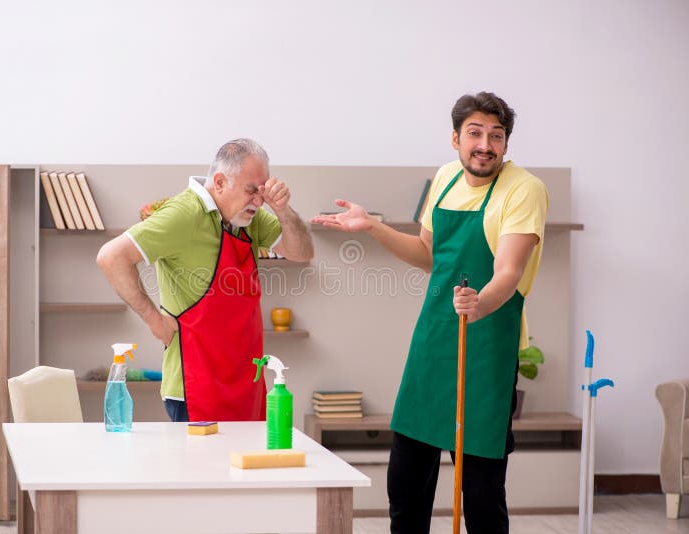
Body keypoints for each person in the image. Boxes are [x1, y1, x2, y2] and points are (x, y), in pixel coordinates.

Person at [312, 92, 549, 533]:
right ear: (455, 138)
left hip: (487, 349)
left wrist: (479, 303)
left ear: (506, 144)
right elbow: (427, 253)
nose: (485, 145)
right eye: (475, 133)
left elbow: (509, 271)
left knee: (480, 494)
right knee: (405, 484)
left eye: (496, 136)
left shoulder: (525, 189)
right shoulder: (444, 177)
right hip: (433, 342)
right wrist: (373, 227)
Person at [97, 138, 313, 423]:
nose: (259, 201)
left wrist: (283, 209)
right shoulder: (184, 214)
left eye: (262, 192)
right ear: (220, 182)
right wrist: (154, 320)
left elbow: (302, 252)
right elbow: (111, 257)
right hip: (197, 389)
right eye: (251, 191)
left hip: (246, 384)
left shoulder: (249, 219)